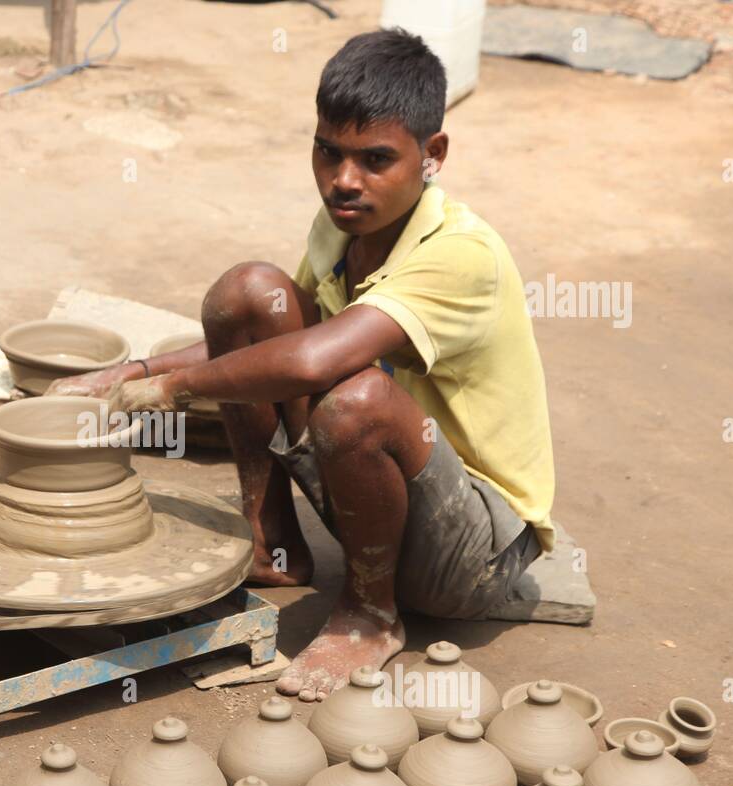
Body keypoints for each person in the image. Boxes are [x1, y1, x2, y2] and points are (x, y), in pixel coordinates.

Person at [46, 29, 555, 701]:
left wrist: (170, 390)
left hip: (474, 551)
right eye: (328, 151)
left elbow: (313, 362)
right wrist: (132, 373)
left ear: (432, 155)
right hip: (386, 499)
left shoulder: (462, 254)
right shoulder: (343, 223)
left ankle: (370, 616)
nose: (344, 180)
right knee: (248, 294)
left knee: (357, 402)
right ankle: (271, 545)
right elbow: (267, 345)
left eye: (376, 159)